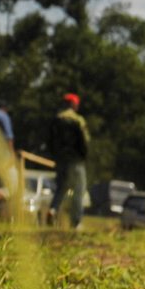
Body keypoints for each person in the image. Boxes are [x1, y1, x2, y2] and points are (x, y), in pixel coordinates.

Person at [48, 91, 91, 228]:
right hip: (76, 161)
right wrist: (84, 156)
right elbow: (85, 141)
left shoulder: (56, 119)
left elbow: (50, 140)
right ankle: (76, 221)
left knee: (61, 188)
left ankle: (53, 210)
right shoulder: (77, 120)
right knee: (79, 190)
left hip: (60, 160)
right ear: (73, 104)